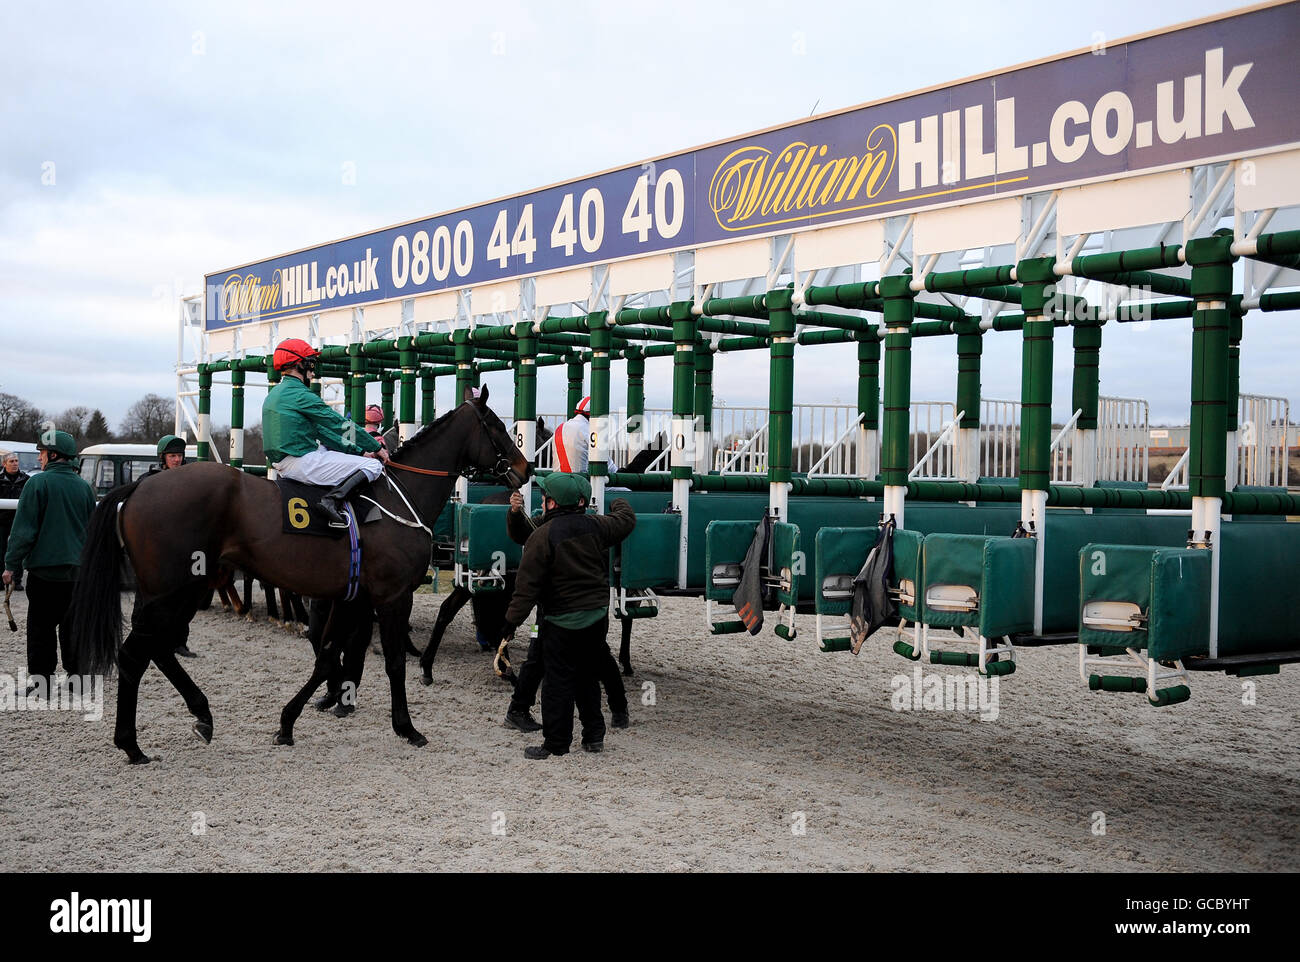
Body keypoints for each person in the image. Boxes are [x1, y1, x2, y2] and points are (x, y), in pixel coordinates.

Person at [499, 472, 635, 759]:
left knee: (557, 683)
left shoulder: (542, 536)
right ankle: (593, 737)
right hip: (596, 617)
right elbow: (626, 520)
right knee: (587, 677)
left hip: (560, 621)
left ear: (551, 503)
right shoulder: (598, 526)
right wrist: (619, 501)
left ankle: (556, 744)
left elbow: (526, 590)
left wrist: (509, 625)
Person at [2, 431, 97, 695]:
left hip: (45, 573)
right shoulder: (85, 488)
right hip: (78, 573)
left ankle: (41, 682)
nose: (40, 458)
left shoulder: (37, 484)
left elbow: (23, 532)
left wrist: (11, 565)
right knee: (73, 627)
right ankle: (77, 680)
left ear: (53, 455)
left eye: (42, 453)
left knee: (41, 628)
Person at [262, 338, 387, 525]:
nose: (313, 372)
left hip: (285, 461)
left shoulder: (275, 394)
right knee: (373, 467)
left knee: (347, 455)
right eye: (311, 365)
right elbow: (339, 424)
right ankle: (331, 501)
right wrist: (375, 446)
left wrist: (361, 451)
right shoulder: (301, 395)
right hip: (301, 461)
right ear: (299, 365)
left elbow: (324, 433)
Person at [144, 434, 199, 657]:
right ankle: (152, 639)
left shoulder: (192, 480)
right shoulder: (149, 481)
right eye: (172, 456)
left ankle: (179, 641)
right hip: (158, 549)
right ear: (163, 458)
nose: (176, 460)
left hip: (185, 549)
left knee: (184, 598)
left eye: (179, 456)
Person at [0, 452, 30, 591]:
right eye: (11, 461)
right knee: (1, 550)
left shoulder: (26, 480)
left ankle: (16, 580)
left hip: (19, 520)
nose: (15, 463)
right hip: (1, 521)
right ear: (4, 464)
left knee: (18, 549)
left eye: (16, 461)